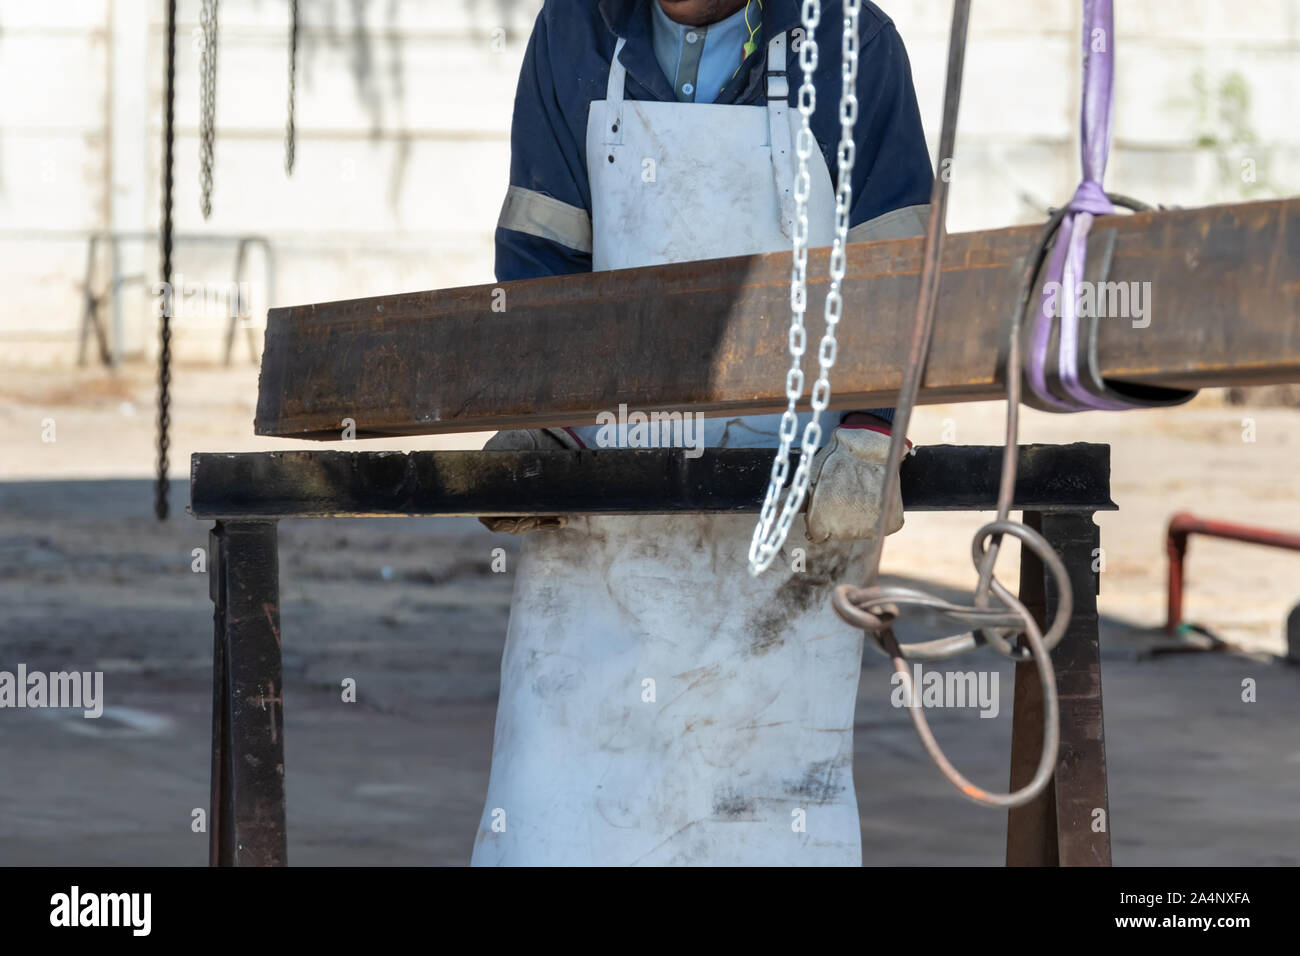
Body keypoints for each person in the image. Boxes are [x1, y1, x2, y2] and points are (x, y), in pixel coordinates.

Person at [472, 0, 933, 866]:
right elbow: (542, 256)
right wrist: (544, 422)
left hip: (794, 521)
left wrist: (875, 434)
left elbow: (896, 266)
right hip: (604, 520)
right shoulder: (575, 28)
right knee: (558, 814)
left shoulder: (854, 43)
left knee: (763, 814)